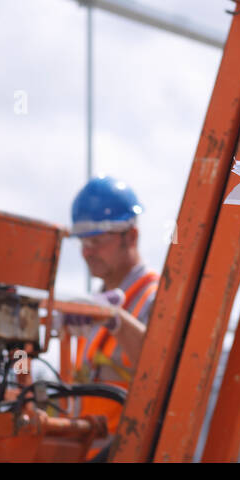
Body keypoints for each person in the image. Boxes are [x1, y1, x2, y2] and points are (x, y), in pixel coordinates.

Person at [62, 176, 159, 446]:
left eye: (96, 241)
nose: (86, 252)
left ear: (131, 236)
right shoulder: (93, 305)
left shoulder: (157, 299)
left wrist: (116, 320)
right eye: (83, 242)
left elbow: (163, 368)